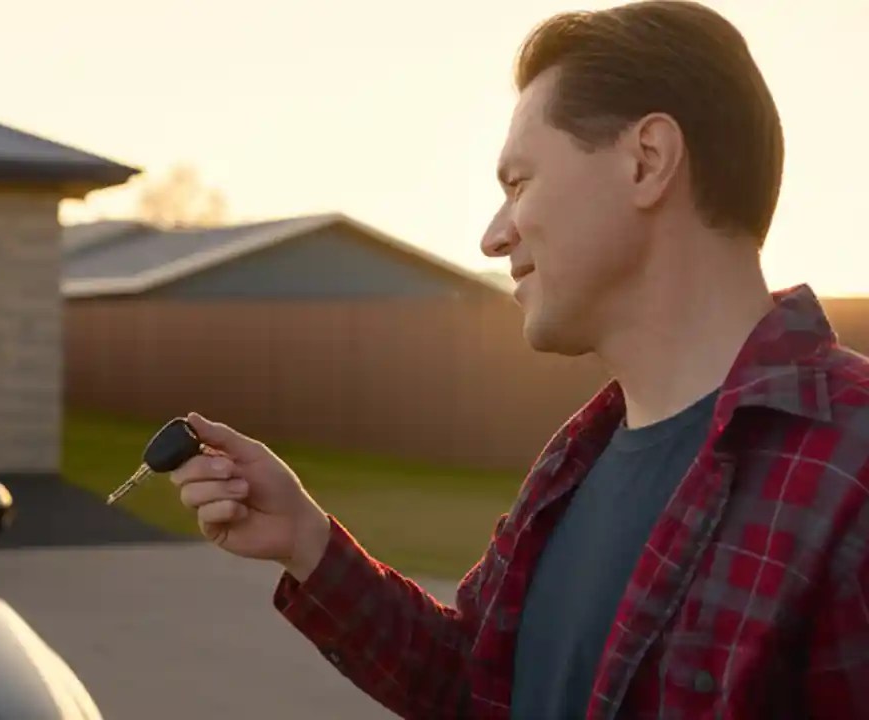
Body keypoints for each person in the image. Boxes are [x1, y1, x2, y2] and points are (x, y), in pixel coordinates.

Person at [169, 1, 869, 718]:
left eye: (518, 183)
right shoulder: (577, 459)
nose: (493, 237)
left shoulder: (853, 469)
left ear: (647, 161)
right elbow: (478, 686)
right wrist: (307, 542)